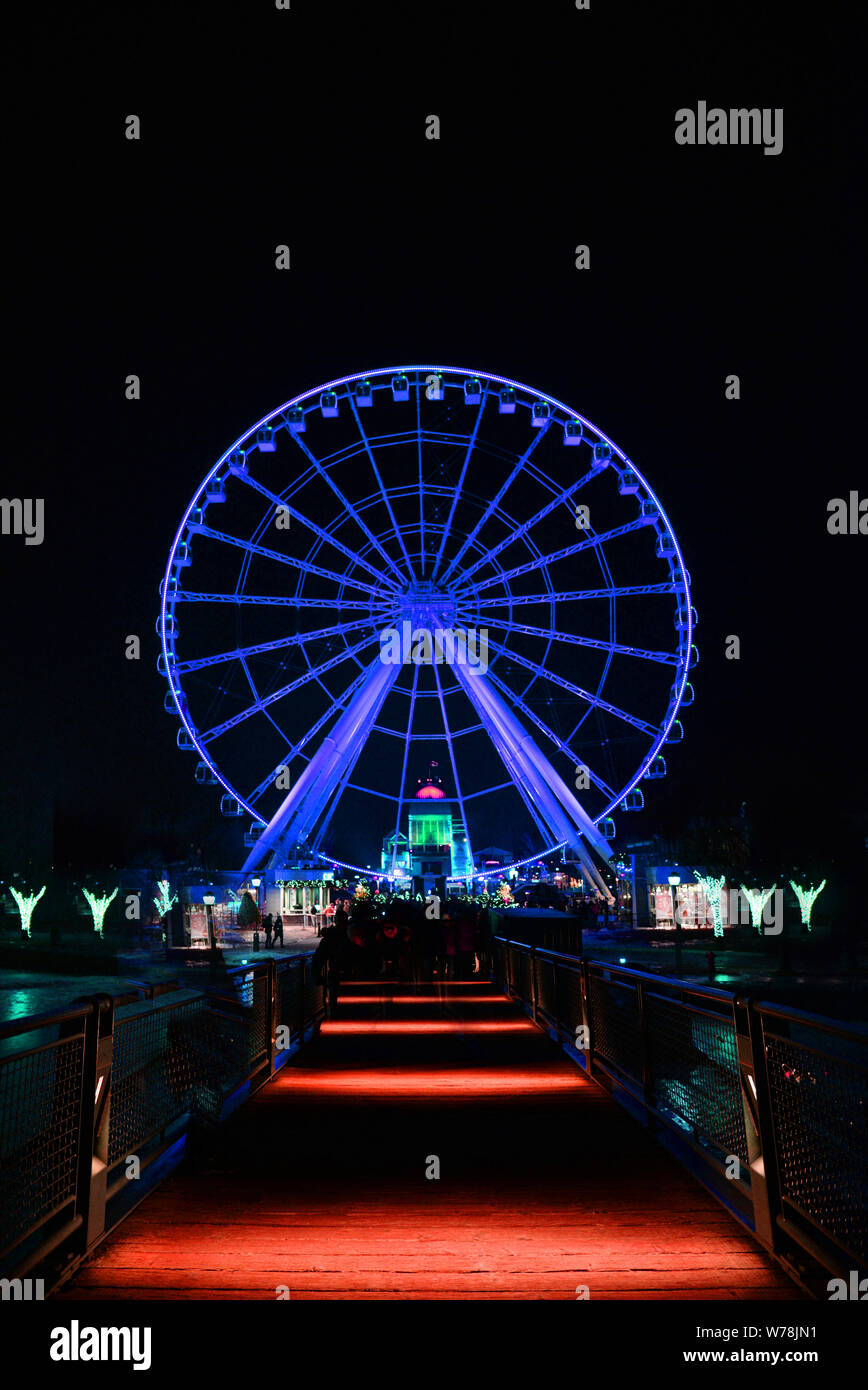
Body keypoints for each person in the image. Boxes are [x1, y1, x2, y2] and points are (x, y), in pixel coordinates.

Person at [313, 909, 350, 1015]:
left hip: (335, 972)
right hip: (348, 973)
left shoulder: (330, 936)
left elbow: (319, 957)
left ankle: (334, 1014)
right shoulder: (350, 934)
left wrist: (317, 975)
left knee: (334, 998)